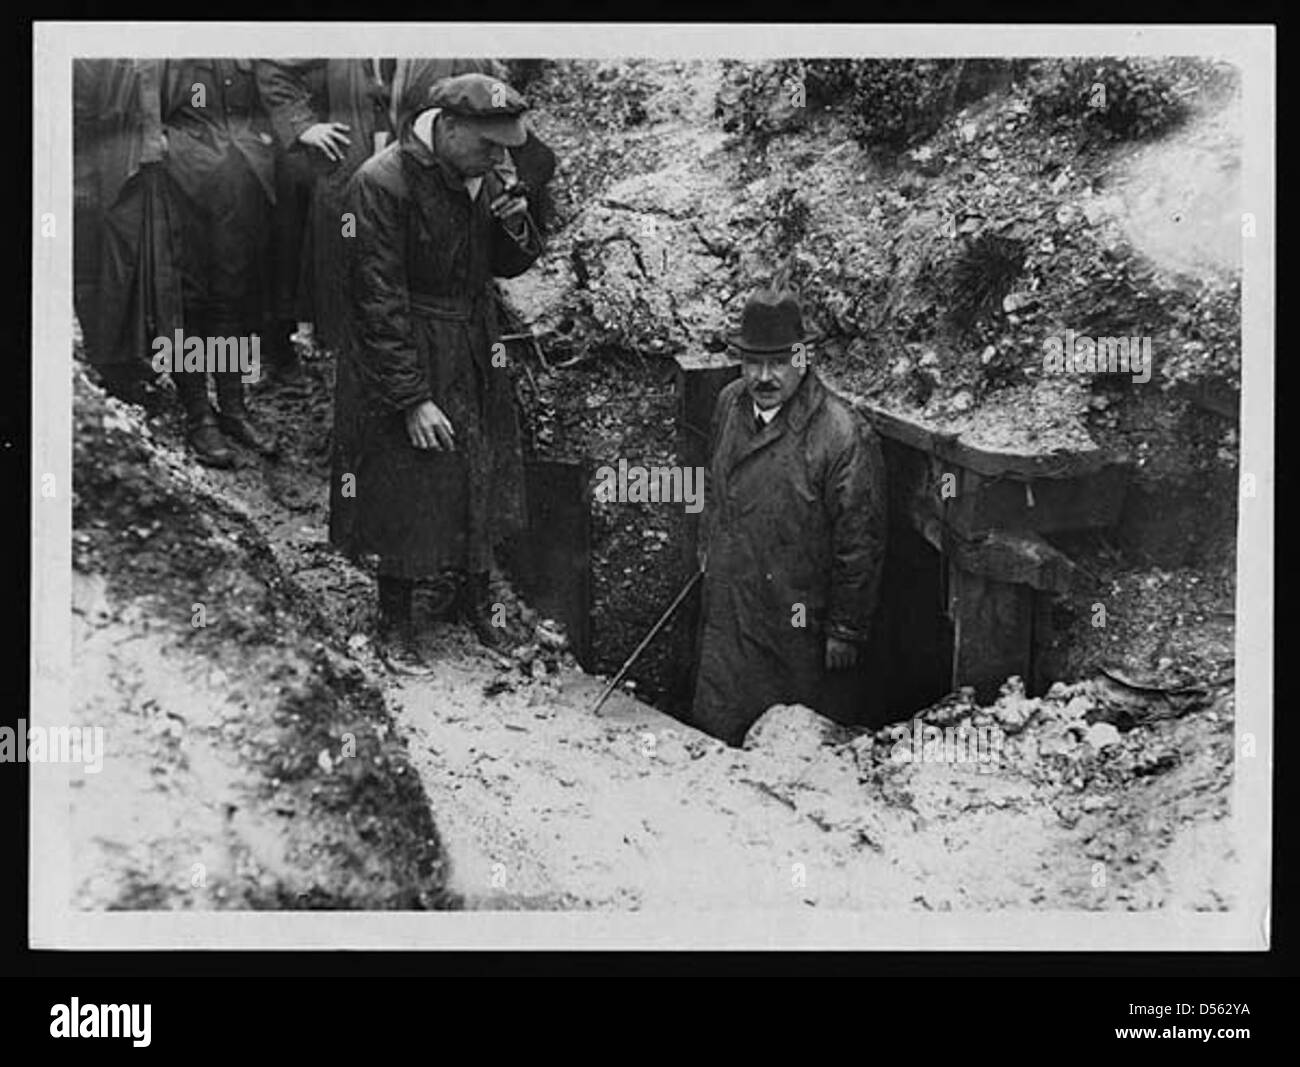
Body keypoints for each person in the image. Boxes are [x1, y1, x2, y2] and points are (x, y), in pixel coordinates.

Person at [332, 72, 545, 669]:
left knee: (476, 467)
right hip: (406, 341)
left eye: (505, 147)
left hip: (471, 339)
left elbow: (510, 265)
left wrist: (513, 221)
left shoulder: (481, 175)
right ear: (448, 129)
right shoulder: (382, 183)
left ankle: (475, 603)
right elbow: (374, 298)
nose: (499, 158)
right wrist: (410, 397)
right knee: (407, 479)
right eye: (488, 145)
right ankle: (394, 620)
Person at [690, 282, 888, 746]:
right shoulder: (729, 405)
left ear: (803, 359)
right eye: (754, 361)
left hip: (796, 624)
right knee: (714, 743)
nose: (764, 376)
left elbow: (861, 542)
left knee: (788, 750)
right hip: (730, 614)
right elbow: (713, 490)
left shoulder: (841, 435)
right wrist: (707, 553)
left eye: (779, 362)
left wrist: (846, 629)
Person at [160, 58, 278, 466]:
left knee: (233, 293)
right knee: (185, 295)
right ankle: (198, 413)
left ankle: (233, 407)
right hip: (178, 180)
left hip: (238, 178)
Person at [72, 59, 182, 404]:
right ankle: (109, 366)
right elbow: (77, 111)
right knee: (106, 269)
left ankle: (131, 357)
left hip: (146, 164)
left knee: (138, 268)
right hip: (106, 166)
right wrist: (83, 174)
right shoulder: (93, 53)